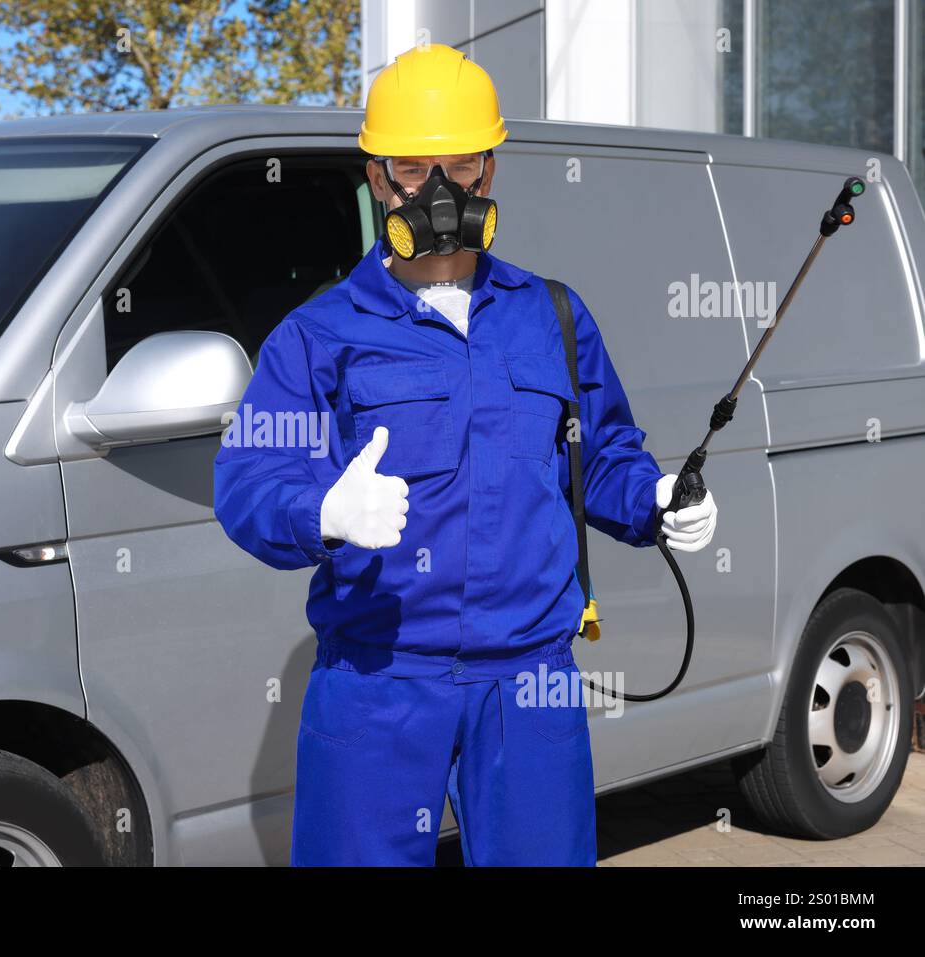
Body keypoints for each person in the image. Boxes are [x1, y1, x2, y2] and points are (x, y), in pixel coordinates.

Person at [212, 43, 718, 866]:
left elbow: (605, 453)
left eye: (461, 165)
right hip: (379, 679)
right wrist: (325, 511)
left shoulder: (552, 315)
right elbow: (246, 481)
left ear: (491, 169)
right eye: (412, 167)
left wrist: (655, 498)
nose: (438, 190)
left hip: (531, 680)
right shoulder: (317, 335)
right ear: (376, 177)